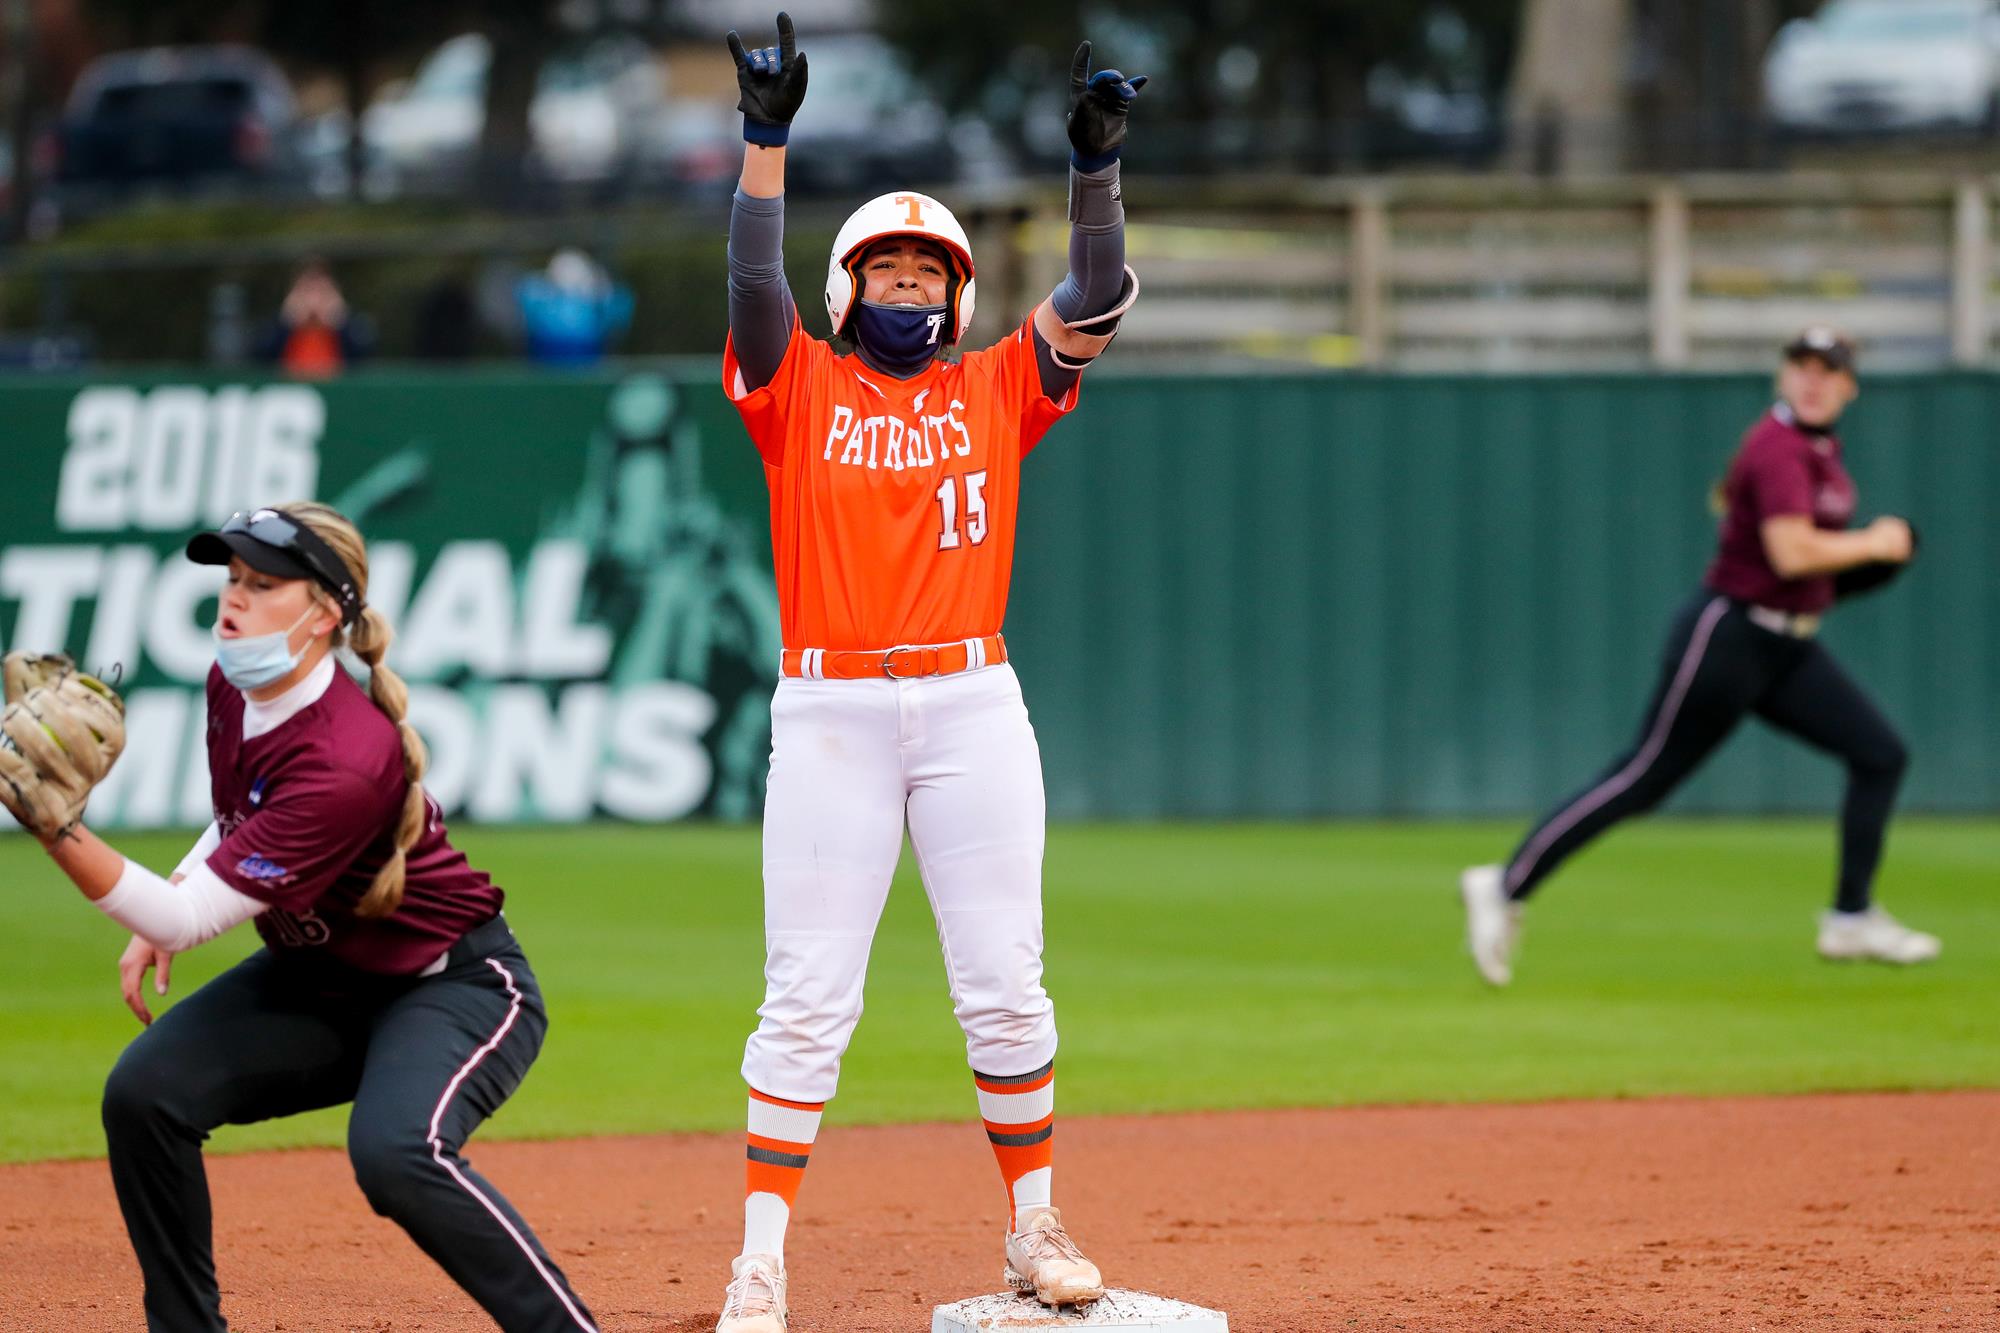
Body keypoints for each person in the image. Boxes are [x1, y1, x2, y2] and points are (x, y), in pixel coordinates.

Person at [710, 13, 1144, 1332]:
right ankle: (760, 1259)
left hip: (970, 703)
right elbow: (752, 283)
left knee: (1005, 981)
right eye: (884, 267)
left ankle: (1033, 1225)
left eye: (927, 270)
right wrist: (765, 144)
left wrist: (1094, 170)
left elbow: (1094, 288)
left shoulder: (998, 386)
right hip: (831, 708)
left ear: (956, 298)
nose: (906, 284)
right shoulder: (796, 386)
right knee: (806, 999)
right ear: (846, 292)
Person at [0, 504, 600, 1333]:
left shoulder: (346, 760)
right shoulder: (233, 684)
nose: (234, 598)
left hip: (452, 986)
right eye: (233, 577)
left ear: (322, 614)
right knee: (145, 1093)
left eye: (263, 583)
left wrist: (57, 830)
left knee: (396, 1153)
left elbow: (182, 922)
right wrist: (178, 877)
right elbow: (244, 812)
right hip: (319, 980)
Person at [1460, 328, 1936, 986]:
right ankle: (1503, 883)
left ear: (1849, 387)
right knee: (1644, 776)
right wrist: (1875, 542)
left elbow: (1807, 574)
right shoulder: (1777, 446)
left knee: (1880, 754)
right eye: (1801, 367)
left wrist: (1873, 564)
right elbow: (1791, 553)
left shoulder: (1820, 452)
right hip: (1728, 637)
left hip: (1787, 645)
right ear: (1782, 375)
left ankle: (1850, 918)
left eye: (1828, 371)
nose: (1813, 381)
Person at [517, 248, 634, 367]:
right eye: (563, 269)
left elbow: (617, 319)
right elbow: (527, 317)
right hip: (546, 357)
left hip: (585, 356)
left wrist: (605, 293)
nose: (567, 274)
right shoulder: (539, 292)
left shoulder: (596, 294)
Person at [259, 259, 372, 378]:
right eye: (306, 291)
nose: (313, 300)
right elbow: (260, 359)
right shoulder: (278, 328)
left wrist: (341, 322)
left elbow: (364, 360)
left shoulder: (350, 328)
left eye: (322, 291)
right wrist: (284, 323)